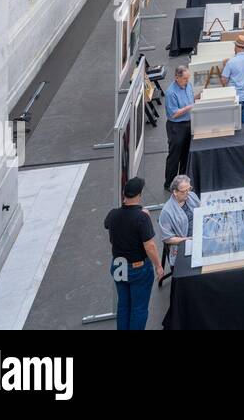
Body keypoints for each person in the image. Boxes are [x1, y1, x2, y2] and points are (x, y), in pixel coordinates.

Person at [104, 178, 163, 329]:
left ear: (124, 195)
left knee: (123, 305)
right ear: (140, 194)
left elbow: (107, 224)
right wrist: (158, 266)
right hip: (138, 268)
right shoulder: (142, 218)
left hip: (118, 266)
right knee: (139, 308)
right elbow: (149, 245)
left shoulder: (113, 214)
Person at [157, 175, 201, 280]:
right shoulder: (167, 211)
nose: (187, 193)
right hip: (184, 243)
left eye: (189, 189)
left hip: (198, 236)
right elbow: (167, 238)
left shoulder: (192, 196)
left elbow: (201, 211)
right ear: (175, 192)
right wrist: (187, 239)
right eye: (184, 191)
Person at [163, 66, 196, 192]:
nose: (187, 81)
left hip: (188, 123)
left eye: (188, 78)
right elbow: (173, 114)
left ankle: (182, 181)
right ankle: (169, 183)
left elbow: (191, 98)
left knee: (185, 155)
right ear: (177, 78)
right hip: (176, 127)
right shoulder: (171, 93)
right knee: (174, 156)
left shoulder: (188, 86)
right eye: (184, 79)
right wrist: (189, 107)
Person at [221, 35, 244, 125]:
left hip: (234, 97)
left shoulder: (230, 62)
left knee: (233, 124)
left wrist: (224, 66)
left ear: (236, 47)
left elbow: (224, 81)